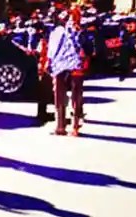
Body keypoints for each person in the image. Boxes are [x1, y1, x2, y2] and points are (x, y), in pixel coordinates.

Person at [47, 8, 88, 136]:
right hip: (65, 66)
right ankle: (63, 126)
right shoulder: (58, 32)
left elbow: (86, 48)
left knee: (72, 95)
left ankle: (71, 126)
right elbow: (52, 49)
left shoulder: (80, 32)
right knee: (64, 95)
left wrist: (49, 62)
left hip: (71, 66)